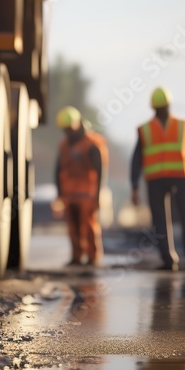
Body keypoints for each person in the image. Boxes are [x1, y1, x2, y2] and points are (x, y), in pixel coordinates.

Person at [131, 87, 185, 272]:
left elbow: (136, 160)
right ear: (169, 105)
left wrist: (135, 187)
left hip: (158, 179)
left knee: (162, 220)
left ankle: (170, 260)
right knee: (184, 217)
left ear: (153, 107)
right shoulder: (183, 125)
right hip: (177, 177)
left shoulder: (146, 129)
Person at [54, 106, 109, 266]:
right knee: (73, 228)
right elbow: (58, 170)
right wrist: (59, 194)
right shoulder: (64, 145)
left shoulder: (92, 144)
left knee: (90, 227)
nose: (68, 133)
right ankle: (76, 257)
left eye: (69, 129)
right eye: (65, 130)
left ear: (78, 124)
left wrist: (98, 195)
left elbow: (100, 171)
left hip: (87, 194)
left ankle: (93, 257)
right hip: (70, 194)